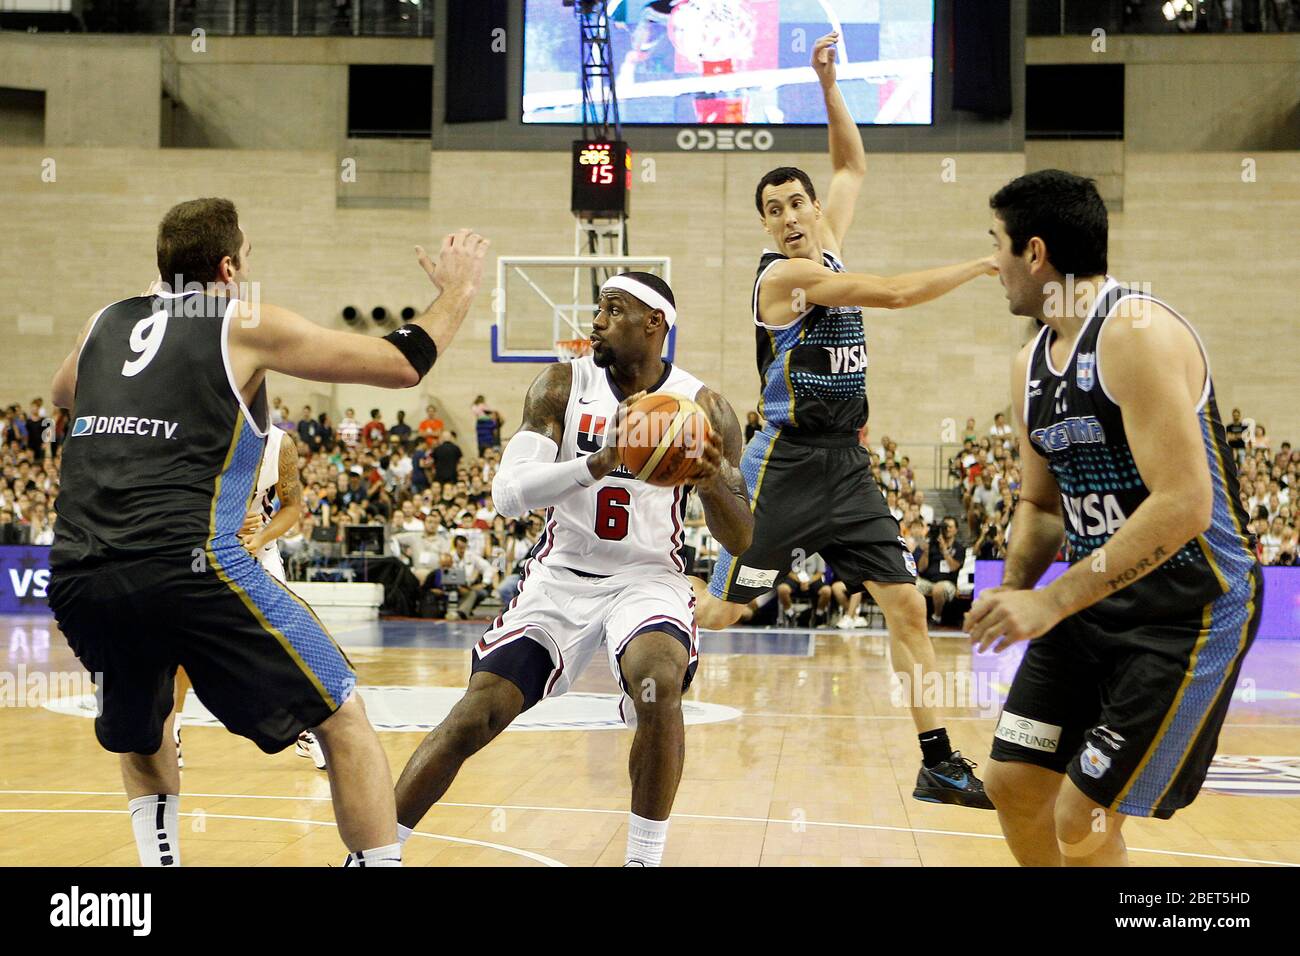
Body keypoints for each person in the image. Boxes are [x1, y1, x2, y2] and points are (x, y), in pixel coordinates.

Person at [46, 195, 488, 867]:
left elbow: (64, 391)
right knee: (340, 711)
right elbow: (403, 363)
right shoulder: (242, 322)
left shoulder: (105, 321)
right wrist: (457, 290)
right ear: (227, 267)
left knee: (145, 730)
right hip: (190, 566)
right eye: (248, 258)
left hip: (83, 572)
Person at [689, 32, 998, 808]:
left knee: (907, 605)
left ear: (813, 210)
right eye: (774, 211)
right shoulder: (785, 278)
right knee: (722, 612)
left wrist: (829, 81)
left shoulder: (825, 244)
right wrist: (979, 264)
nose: (789, 216)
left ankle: (938, 761)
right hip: (784, 464)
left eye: (797, 202)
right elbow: (890, 294)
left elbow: (853, 164)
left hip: (846, 468)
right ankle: (620, 611)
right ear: (766, 229)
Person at [390, 272, 752, 868]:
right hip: (560, 575)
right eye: (598, 308)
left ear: (655, 324)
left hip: (648, 579)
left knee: (657, 689)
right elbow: (509, 495)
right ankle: (376, 853)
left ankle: (642, 860)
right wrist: (599, 462)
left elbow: (741, 538)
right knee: (476, 714)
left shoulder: (706, 408)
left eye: (613, 310)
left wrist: (713, 480)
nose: (596, 321)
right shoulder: (562, 385)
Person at [968, 169, 1261, 866]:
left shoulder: (1136, 333)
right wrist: (1016, 589)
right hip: (1098, 602)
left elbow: (1185, 505)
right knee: (1011, 781)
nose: (993, 265)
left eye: (997, 247)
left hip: (1188, 611)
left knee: (1081, 816)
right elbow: (1040, 505)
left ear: (1035, 253)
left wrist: (1055, 599)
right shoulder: (1030, 363)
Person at [916, 516, 964, 624]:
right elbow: (921, 568)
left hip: (948, 583)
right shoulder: (932, 544)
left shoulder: (959, 548)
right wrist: (926, 551)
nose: (947, 529)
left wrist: (944, 550)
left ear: (956, 530)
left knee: (938, 588)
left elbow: (953, 567)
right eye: (945, 527)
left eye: (950, 527)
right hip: (927, 581)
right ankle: (914, 617)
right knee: (912, 587)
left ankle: (936, 617)